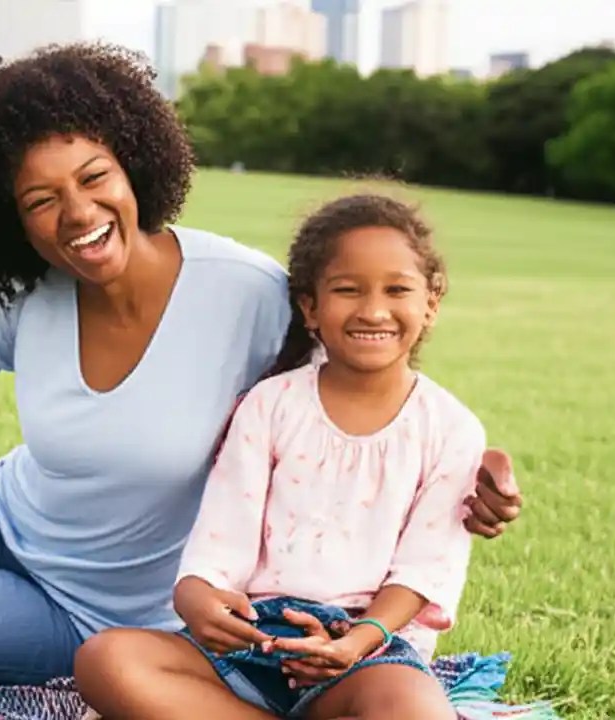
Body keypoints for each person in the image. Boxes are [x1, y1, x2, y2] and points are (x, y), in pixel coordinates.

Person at [0, 43, 524, 688]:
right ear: (10, 220)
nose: (77, 214)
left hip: (90, 611)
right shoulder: (23, 294)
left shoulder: (246, 294)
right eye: (40, 200)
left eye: (93, 178)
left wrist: (475, 478)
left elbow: (371, 387)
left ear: (133, 165)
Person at [74, 193, 486, 719]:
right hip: (251, 642)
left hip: (366, 649)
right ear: (310, 306)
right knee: (106, 660)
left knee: (415, 712)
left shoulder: (451, 429)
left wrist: (355, 642)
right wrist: (196, 597)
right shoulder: (271, 406)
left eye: (397, 290)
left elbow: (424, 569)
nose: (373, 310)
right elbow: (222, 535)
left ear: (431, 301)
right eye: (347, 290)